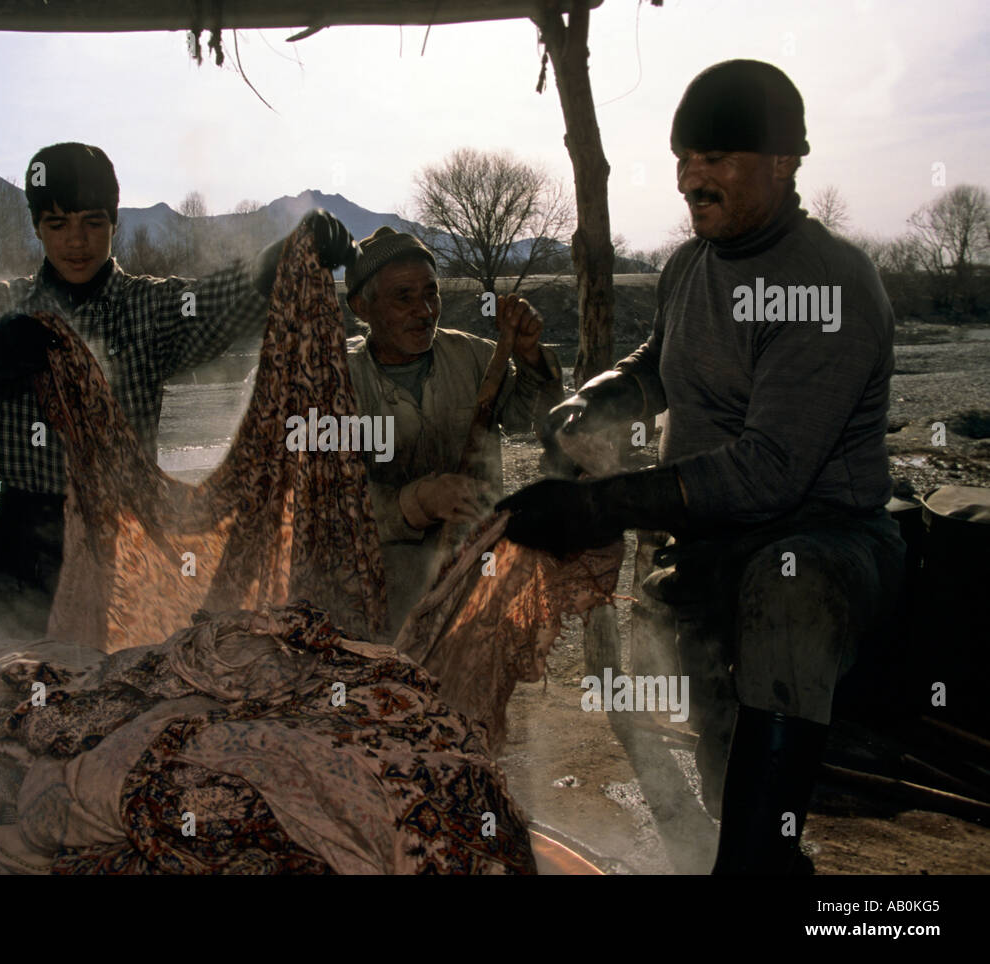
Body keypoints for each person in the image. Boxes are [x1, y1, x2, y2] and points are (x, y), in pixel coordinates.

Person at [499, 60, 906, 874]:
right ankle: (755, 845)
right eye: (685, 157)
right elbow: (661, 362)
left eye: (718, 158)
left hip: (820, 537)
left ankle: (755, 861)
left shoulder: (827, 285)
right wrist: (603, 395)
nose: (693, 177)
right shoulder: (694, 264)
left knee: (784, 594)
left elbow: (769, 473)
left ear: (786, 163)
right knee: (717, 734)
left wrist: (595, 507)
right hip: (710, 537)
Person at [0, 142, 356, 647]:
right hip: (23, 538)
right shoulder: (11, 304)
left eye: (93, 223)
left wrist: (284, 256)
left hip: (120, 538)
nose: (77, 241)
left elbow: (216, 302)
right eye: (57, 224)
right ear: (37, 228)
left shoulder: (147, 309)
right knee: (2, 687)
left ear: (115, 223)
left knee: (114, 687)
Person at [345, 227, 563, 630]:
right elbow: (326, 503)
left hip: (475, 566)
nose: (425, 311)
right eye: (404, 297)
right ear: (362, 306)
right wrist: (417, 503)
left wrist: (532, 360)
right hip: (381, 587)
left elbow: (528, 421)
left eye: (431, 293)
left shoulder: (474, 356)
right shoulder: (339, 383)